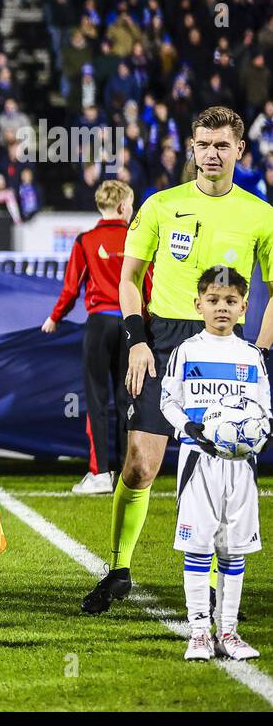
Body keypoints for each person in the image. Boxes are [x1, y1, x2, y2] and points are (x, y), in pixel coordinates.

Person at [82, 107, 273, 615]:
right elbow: (128, 280)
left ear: (239, 151)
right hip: (162, 341)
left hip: (227, 349)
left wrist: (260, 354)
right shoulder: (160, 205)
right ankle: (118, 568)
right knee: (140, 466)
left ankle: (210, 584)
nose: (212, 154)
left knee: (217, 468)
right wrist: (137, 340)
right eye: (203, 145)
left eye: (222, 146)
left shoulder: (261, 214)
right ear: (192, 148)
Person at [159, 266, 264, 662]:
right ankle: (199, 632)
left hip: (240, 468)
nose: (222, 308)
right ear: (198, 304)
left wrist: (259, 432)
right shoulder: (187, 351)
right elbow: (168, 401)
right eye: (214, 301)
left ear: (244, 307)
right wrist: (189, 426)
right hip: (198, 463)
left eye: (231, 302)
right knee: (199, 546)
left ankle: (229, 632)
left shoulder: (251, 356)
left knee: (234, 551)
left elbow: (264, 408)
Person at [41, 179, 141, 494]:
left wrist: (54, 318)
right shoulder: (135, 238)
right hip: (131, 325)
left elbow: (71, 287)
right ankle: (130, 474)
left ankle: (99, 474)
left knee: (97, 401)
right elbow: (147, 285)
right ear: (124, 207)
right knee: (130, 400)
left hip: (98, 326)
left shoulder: (86, 240)